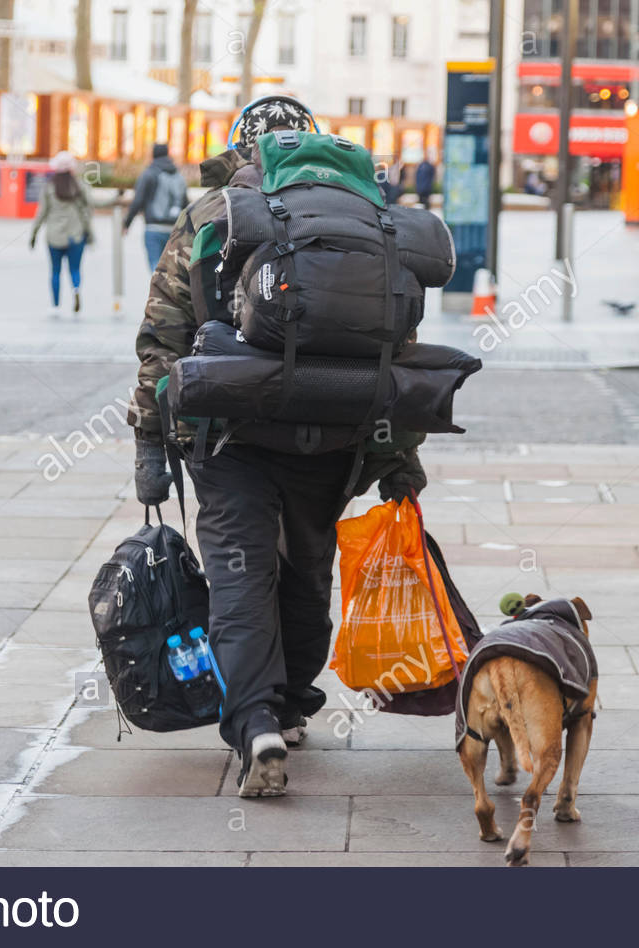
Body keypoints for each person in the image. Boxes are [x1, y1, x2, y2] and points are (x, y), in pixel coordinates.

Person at [128, 95, 426, 797]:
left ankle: (255, 718)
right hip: (333, 429)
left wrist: (149, 441)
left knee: (239, 575)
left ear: (240, 147)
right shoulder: (364, 215)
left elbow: (162, 338)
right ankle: (291, 702)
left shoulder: (212, 213)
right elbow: (395, 344)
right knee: (305, 569)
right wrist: (399, 458)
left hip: (228, 432)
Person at [30, 151, 94, 317]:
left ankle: (55, 306)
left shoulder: (49, 187)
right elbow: (88, 208)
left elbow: (41, 213)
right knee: (75, 269)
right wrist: (89, 232)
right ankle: (76, 289)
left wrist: (34, 234)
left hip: (54, 236)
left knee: (55, 271)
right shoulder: (79, 187)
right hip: (76, 234)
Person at [123, 143, 187, 271]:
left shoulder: (149, 173)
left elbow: (138, 200)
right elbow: (184, 202)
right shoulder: (177, 175)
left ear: (153, 154)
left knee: (156, 267)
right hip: (175, 229)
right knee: (172, 269)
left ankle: (159, 290)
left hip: (154, 228)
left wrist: (126, 223)